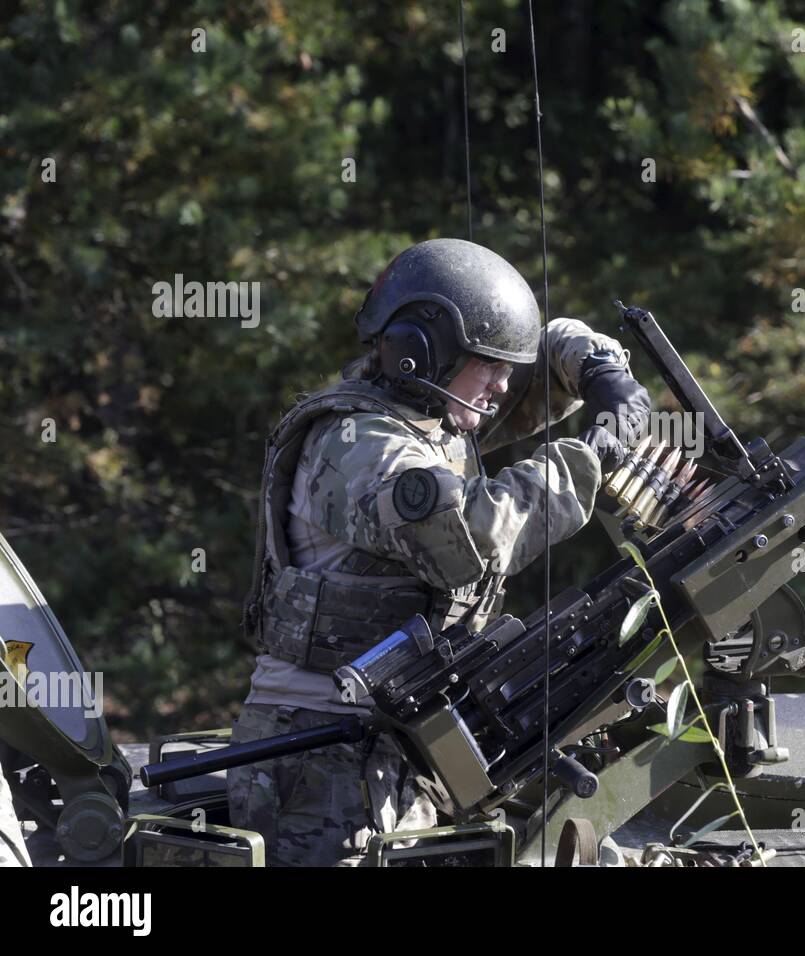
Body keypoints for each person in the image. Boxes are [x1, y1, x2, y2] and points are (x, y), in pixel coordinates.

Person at [227, 238, 650, 866]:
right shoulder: (357, 446)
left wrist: (599, 368)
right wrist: (594, 456)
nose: (504, 387)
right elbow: (468, 538)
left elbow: (546, 353)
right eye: (489, 366)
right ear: (423, 355)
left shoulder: (430, 418)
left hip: (388, 747)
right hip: (321, 759)